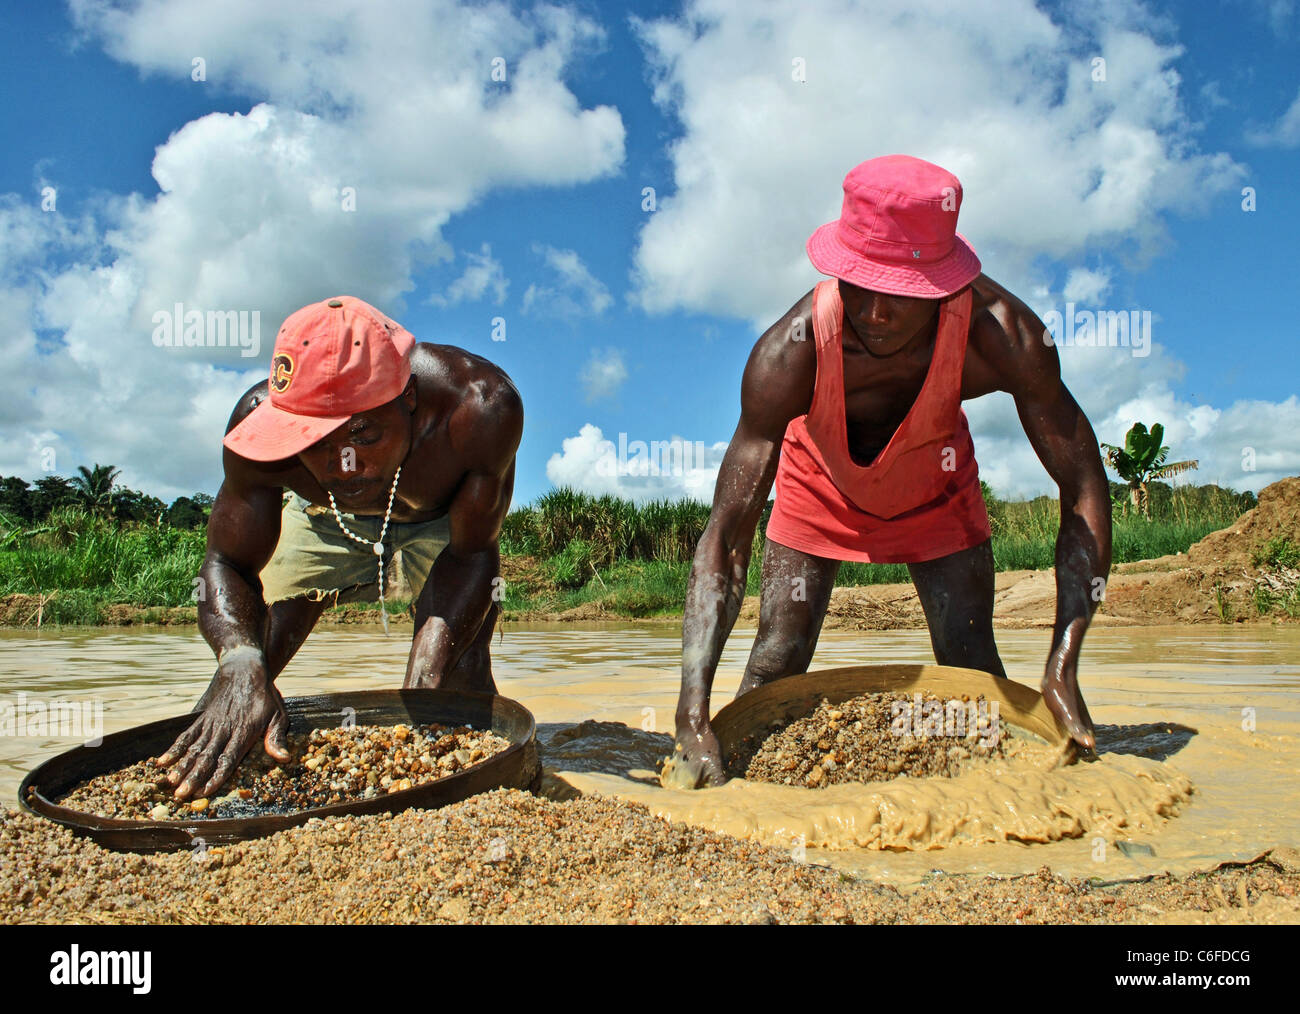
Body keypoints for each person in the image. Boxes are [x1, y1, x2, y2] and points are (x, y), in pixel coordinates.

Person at [671, 155, 1112, 788]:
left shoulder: (1002, 336)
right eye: (860, 285)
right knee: (776, 660)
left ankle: (994, 790)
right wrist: (692, 710)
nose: (875, 313)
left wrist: (1061, 669)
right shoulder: (787, 354)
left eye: (902, 293)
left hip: (936, 488)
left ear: (943, 281)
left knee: (971, 664)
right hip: (818, 484)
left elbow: (1083, 488)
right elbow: (726, 535)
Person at [158, 296, 522, 801]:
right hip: (325, 520)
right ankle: (210, 754)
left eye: (364, 433)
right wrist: (238, 660)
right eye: (315, 441)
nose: (344, 465)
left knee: (454, 675)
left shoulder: (480, 408)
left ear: (409, 396)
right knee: (253, 657)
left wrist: (423, 682)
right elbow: (227, 562)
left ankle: (496, 791)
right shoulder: (255, 426)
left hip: (439, 525)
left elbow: (472, 553)